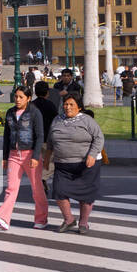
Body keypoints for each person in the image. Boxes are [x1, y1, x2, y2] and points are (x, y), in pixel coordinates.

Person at [0, 86, 49, 230]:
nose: (17, 99)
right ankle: (3, 218)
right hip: (13, 154)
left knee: (37, 189)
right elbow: (6, 135)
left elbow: (40, 135)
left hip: (30, 154)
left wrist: (36, 156)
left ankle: (41, 219)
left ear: (28, 98)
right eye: (16, 96)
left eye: (21, 97)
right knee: (11, 188)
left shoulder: (34, 112)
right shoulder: (10, 113)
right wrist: (5, 157)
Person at [48, 94, 105, 233]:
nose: (68, 107)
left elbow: (99, 138)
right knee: (59, 191)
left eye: (71, 104)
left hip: (86, 164)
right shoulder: (57, 120)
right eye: (66, 104)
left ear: (79, 107)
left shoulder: (87, 120)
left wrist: (92, 155)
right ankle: (69, 220)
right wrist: (46, 159)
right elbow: (50, 140)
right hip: (63, 164)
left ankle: (83, 223)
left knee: (86, 195)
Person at [32, 81, 59, 193]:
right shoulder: (51, 105)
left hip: (34, 139)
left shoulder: (31, 105)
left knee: (37, 162)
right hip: (48, 138)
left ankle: (40, 180)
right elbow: (56, 121)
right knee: (51, 161)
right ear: (47, 93)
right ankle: (43, 178)